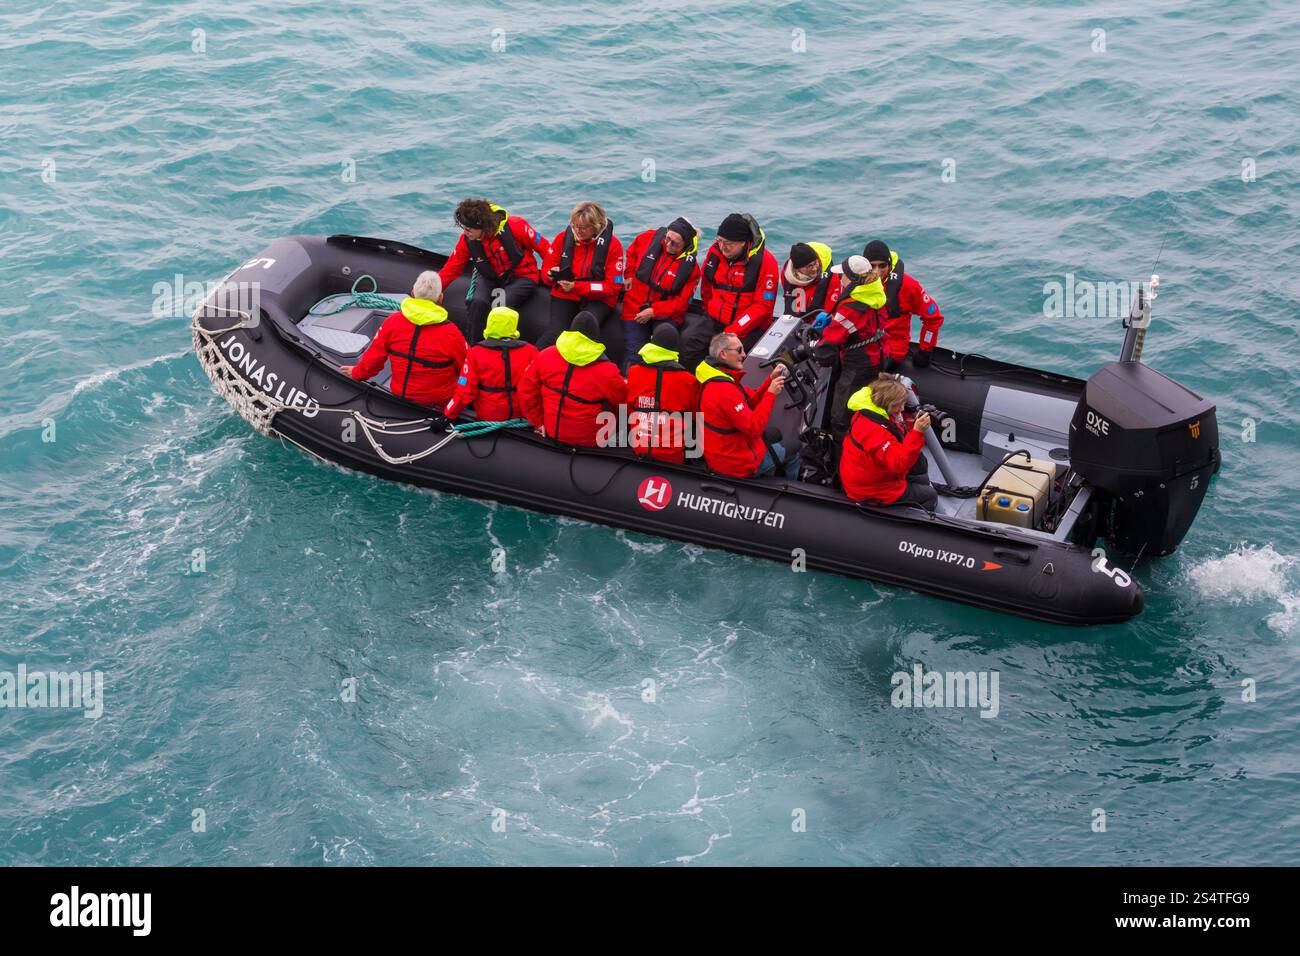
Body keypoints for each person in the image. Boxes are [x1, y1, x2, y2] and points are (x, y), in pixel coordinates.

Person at [342, 271, 466, 407]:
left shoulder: (392, 323)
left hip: (399, 396)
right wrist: (463, 390)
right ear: (440, 298)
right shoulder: (452, 334)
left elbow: (373, 360)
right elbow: (468, 368)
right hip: (439, 404)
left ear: (413, 293)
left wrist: (356, 373)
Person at [437, 198, 550, 343]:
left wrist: (549, 273)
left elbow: (546, 249)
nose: (465, 233)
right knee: (476, 302)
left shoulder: (516, 226)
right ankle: (474, 348)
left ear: (481, 227)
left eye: (468, 229)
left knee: (500, 305)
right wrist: (432, 291)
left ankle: (498, 348)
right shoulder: (467, 240)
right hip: (490, 276)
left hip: (522, 276)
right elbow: (451, 268)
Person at [694, 332, 797, 479]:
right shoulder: (724, 390)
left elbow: (748, 401)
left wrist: (770, 380)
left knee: (775, 435)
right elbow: (754, 427)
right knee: (795, 450)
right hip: (736, 464)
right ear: (723, 354)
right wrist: (771, 393)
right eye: (739, 350)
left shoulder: (716, 378)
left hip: (723, 451)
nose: (744, 354)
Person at [683, 213, 780, 369]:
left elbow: (763, 306)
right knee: (688, 343)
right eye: (719, 241)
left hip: (748, 327)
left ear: (743, 242)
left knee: (730, 357)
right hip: (715, 318)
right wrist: (710, 309)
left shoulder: (766, 262)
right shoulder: (715, 253)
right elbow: (707, 284)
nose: (722, 246)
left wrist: (733, 330)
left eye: (728, 243)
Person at [519, 311, 627, 447]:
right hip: (592, 441)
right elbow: (624, 402)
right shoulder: (608, 371)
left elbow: (525, 390)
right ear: (595, 336)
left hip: (551, 431)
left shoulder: (545, 355)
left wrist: (538, 422)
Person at [540, 201, 625, 362]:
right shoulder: (562, 239)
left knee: (583, 333)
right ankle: (533, 366)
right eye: (575, 226)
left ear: (596, 226)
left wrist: (577, 287)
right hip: (565, 294)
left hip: (598, 299)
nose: (578, 231)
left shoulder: (613, 247)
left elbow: (613, 287)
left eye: (583, 227)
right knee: (553, 334)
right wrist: (550, 275)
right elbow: (547, 266)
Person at [839, 375, 937, 512]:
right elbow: (899, 463)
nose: (902, 409)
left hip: (870, 476)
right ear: (887, 403)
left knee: (920, 475)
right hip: (870, 490)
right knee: (930, 496)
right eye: (899, 405)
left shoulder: (869, 413)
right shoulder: (875, 432)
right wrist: (917, 432)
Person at [621, 217, 700, 367]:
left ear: (685, 245)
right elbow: (631, 251)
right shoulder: (648, 238)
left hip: (666, 314)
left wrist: (654, 311)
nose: (668, 244)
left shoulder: (692, 270)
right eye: (667, 238)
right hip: (635, 305)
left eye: (675, 243)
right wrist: (629, 275)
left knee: (662, 352)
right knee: (634, 353)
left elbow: (680, 304)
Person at [860, 239, 944, 370]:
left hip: (892, 347)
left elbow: (933, 318)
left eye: (882, 265)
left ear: (889, 264)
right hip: (863, 342)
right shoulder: (856, 280)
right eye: (872, 266)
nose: (877, 271)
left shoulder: (907, 285)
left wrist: (925, 350)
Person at [444, 306, 538, 422]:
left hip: (489, 415)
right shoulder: (530, 351)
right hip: (520, 415)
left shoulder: (476, 353)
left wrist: (448, 415)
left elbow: (464, 391)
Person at [626, 324, 699, 464]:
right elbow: (696, 416)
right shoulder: (689, 381)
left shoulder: (633, 372)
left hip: (638, 450)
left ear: (652, 343)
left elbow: (628, 408)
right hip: (673, 457)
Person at [781, 241, 840, 320]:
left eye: (815, 263)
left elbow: (831, 312)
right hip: (795, 323)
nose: (814, 268)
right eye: (809, 266)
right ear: (797, 269)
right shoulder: (787, 274)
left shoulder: (832, 277)